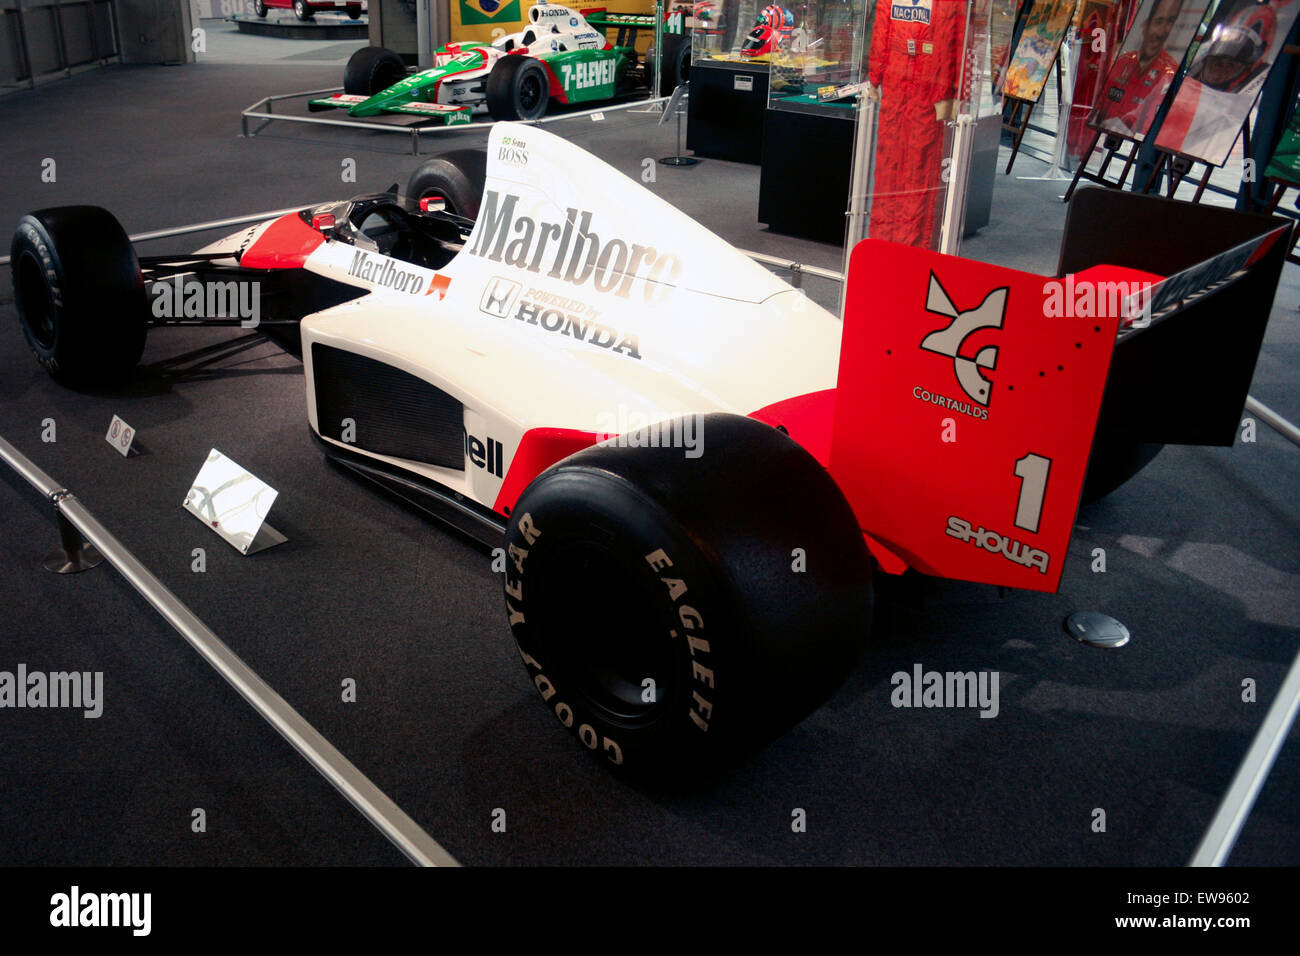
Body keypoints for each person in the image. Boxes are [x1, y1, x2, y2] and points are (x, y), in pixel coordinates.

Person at [1098, 0, 1184, 138]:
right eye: (1158, 21)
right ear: (1145, 26)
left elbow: (1148, 129)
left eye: (1169, 23)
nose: (1161, 32)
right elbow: (1100, 106)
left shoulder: (1169, 73)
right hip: (1101, 140)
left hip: (1131, 147)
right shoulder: (1124, 61)